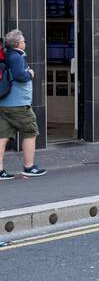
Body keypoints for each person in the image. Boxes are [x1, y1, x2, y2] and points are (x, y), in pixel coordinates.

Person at [0, 29, 46, 178]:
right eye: (24, 41)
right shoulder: (17, 57)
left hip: (4, 103)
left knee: (3, 136)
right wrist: (30, 74)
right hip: (18, 104)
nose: (25, 43)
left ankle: (0, 170)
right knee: (30, 132)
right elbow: (20, 76)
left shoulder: (7, 56)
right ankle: (29, 167)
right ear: (18, 43)